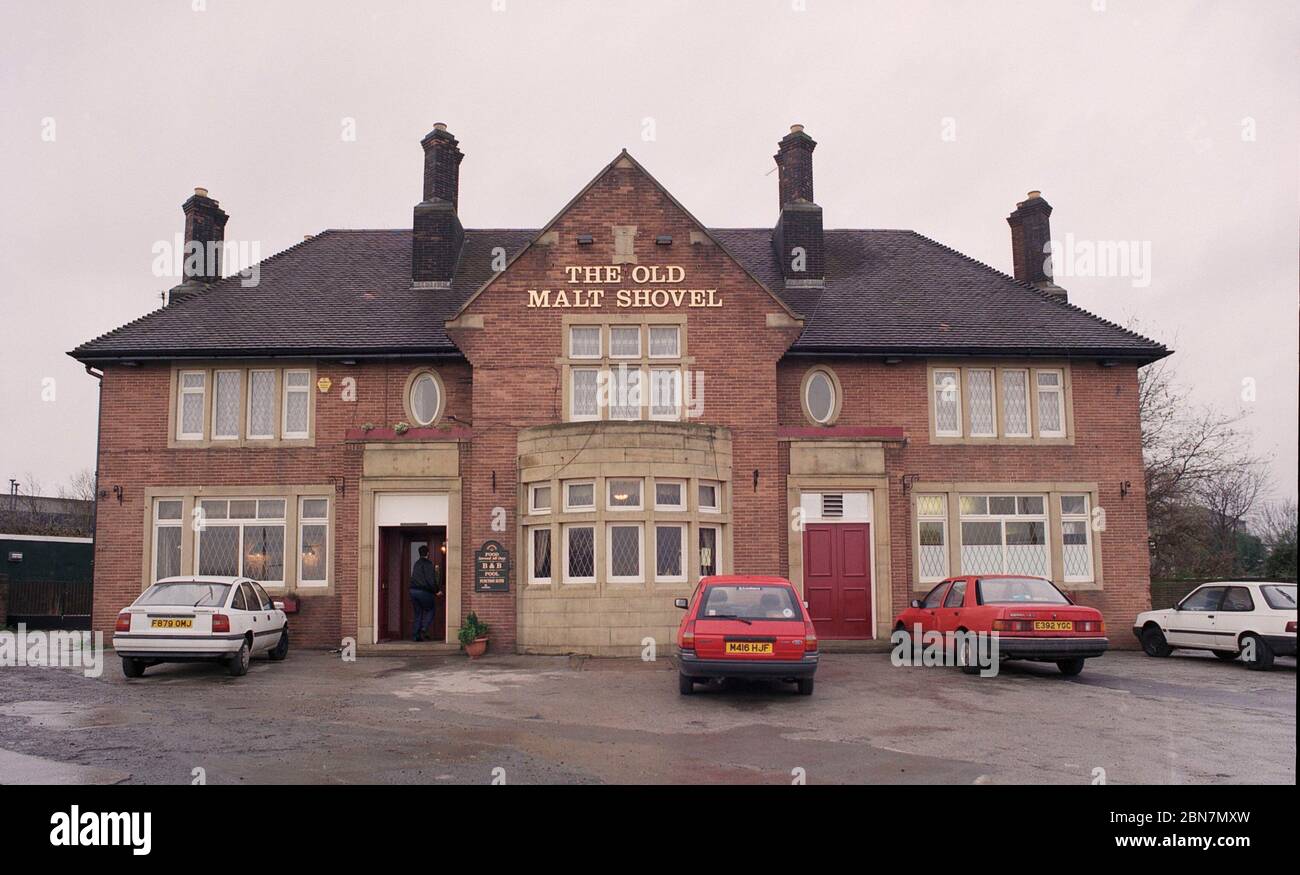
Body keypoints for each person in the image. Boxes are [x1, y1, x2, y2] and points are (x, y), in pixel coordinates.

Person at [410, 545, 442, 642]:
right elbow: (430, 580)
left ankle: (416, 636)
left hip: (413, 591)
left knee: (418, 613)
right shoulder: (428, 564)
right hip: (423, 591)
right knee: (430, 609)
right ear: (428, 553)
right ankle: (424, 628)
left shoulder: (416, 564)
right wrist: (437, 591)